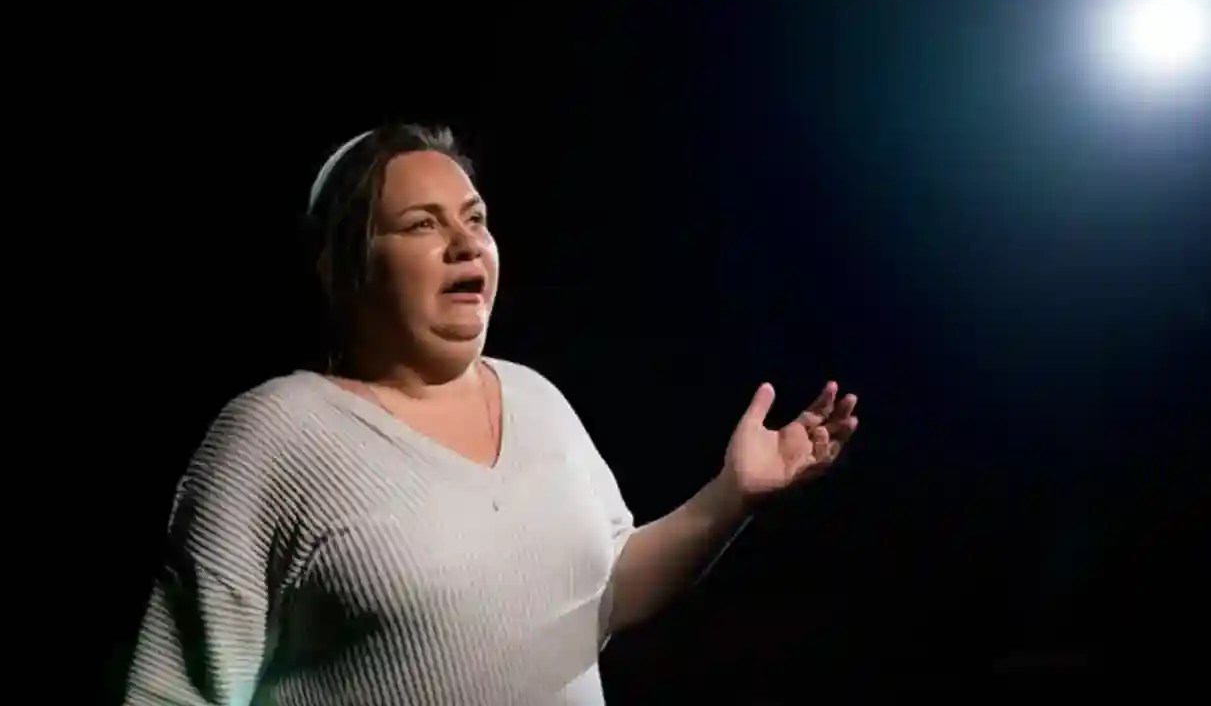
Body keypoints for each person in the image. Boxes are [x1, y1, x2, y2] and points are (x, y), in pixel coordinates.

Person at [121, 123, 860, 705]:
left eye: (475, 219)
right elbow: (173, 690)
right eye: (421, 224)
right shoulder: (274, 435)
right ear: (346, 267)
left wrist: (733, 498)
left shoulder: (537, 399)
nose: (465, 241)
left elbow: (601, 594)